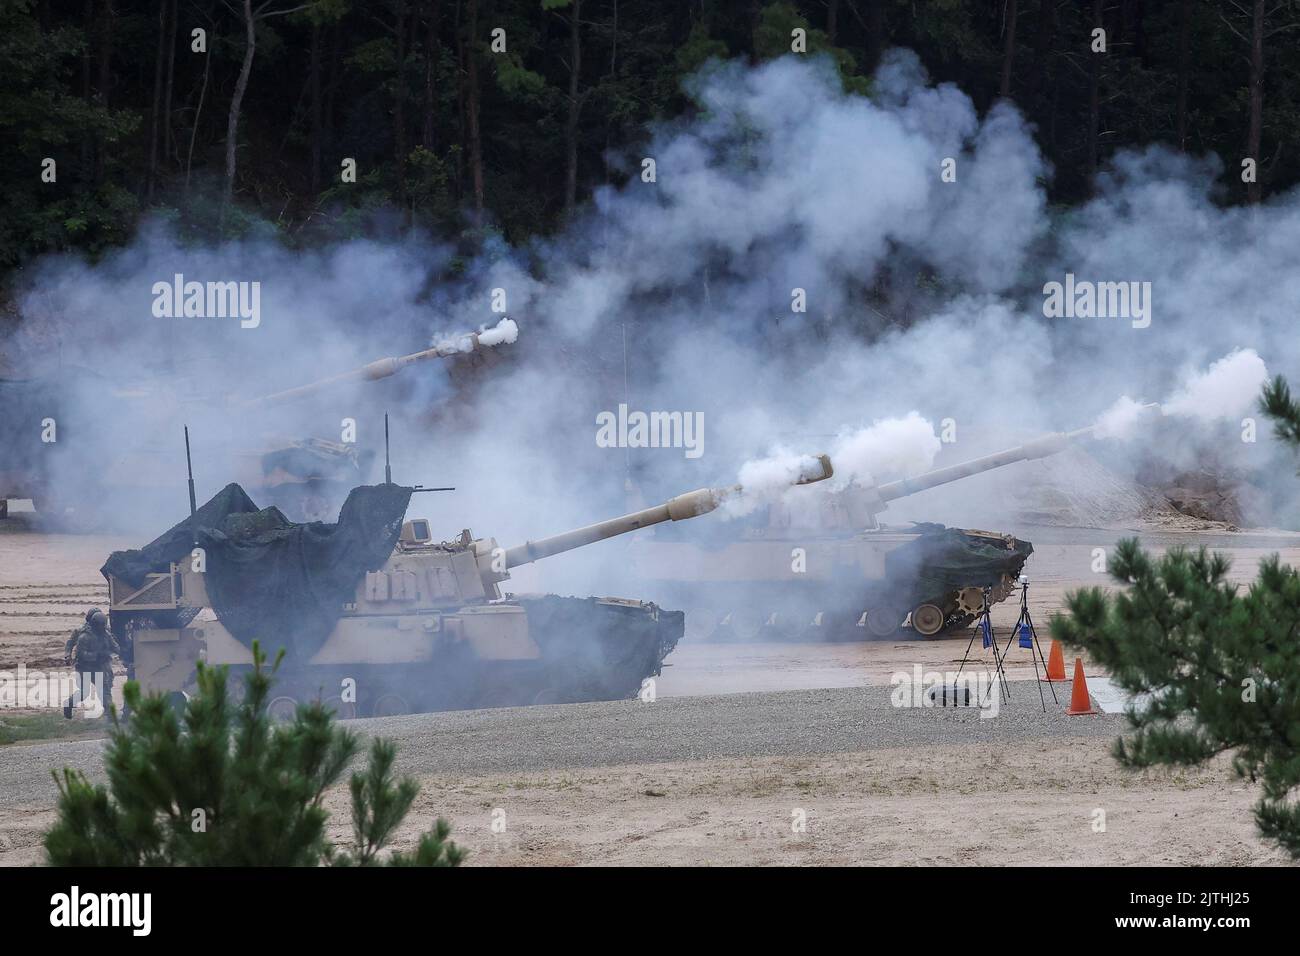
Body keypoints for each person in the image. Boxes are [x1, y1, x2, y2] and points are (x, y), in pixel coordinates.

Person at [62, 608, 120, 719]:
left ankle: (110, 714)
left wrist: (116, 650)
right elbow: (79, 652)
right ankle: (69, 704)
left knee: (105, 689)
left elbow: (115, 646)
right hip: (85, 668)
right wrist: (68, 655)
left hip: (101, 666)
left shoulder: (105, 633)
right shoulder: (83, 635)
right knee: (84, 692)